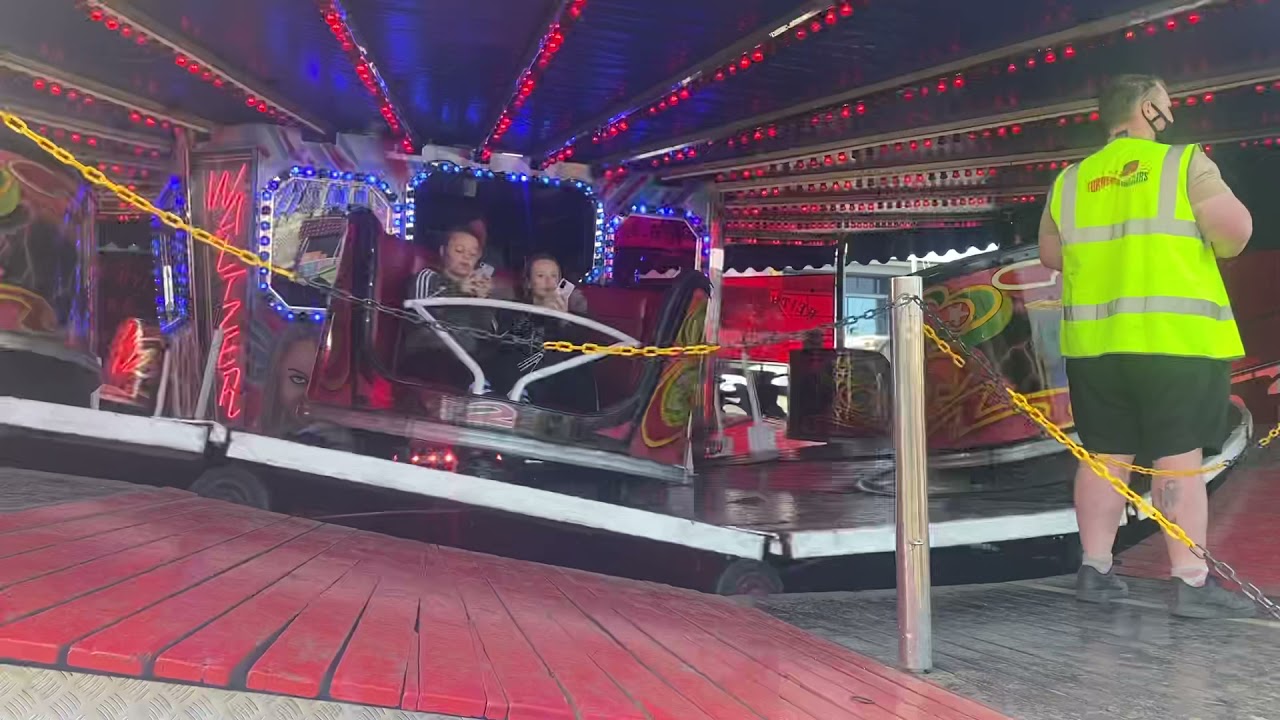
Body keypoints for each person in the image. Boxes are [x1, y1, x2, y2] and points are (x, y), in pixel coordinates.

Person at [1038, 74, 1254, 618]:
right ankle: (1190, 583)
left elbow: (1052, 255)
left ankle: (1095, 568)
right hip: (1172, 341)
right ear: (1148, 107)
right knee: (1178, 460)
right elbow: (1234, 233)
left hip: (1095, 346)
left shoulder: (1070, 180)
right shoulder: (1182, 163)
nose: (1173, 114)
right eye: (1168, 104)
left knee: (1105, 458)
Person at [400, 227, 498, 387]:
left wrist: (483, 301)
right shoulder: (428, 276)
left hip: (471, 358)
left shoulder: (476, 287)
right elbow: (417, 317)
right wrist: (457, 289)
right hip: (429, 354)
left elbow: (489, 333)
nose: (466, 257)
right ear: (443, 251)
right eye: (459, 251)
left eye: (472, 254)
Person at [501, 253, 594, 409]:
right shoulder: (514, 309)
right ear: (529, 283)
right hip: (520, 373)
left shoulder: (575, 315)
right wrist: (539, 313)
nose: (549, 282)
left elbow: (582, 346)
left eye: (553, 276)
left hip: (558, 380)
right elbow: (511, 339)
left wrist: (563, 319)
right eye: (540, 276)